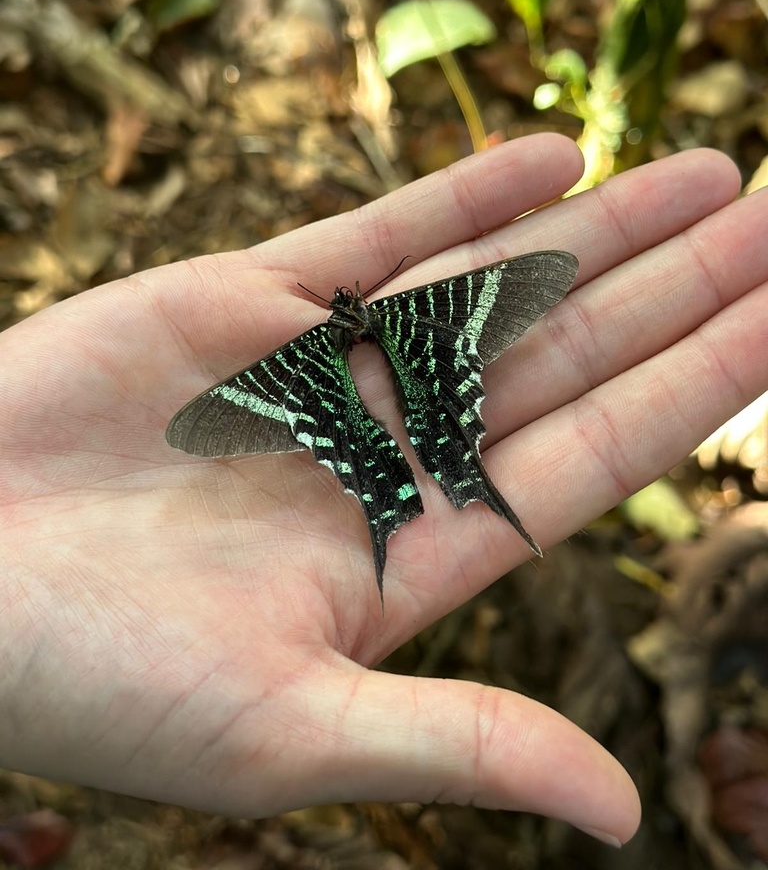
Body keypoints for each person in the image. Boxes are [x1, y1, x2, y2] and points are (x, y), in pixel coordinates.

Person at [1, 134, 766, 848]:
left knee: (389, 430)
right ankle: (429, 483)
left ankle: (407, 493)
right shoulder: (349, 336)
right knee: (410, 423)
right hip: (394, 343)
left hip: (376, 350)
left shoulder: (321, 346)